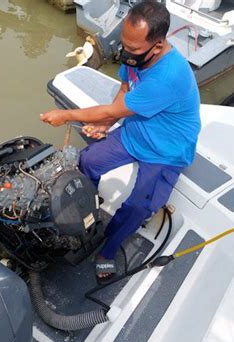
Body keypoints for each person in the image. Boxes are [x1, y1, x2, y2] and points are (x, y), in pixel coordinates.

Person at [40, 2, 200, 281]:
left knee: (138, 207)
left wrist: (66, 115)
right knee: (86, 161)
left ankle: (108, 251)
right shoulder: (134, 55)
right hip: (135, 131)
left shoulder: (169, 76)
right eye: (125, 44)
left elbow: (116, 110)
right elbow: (125, 90)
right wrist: (106, 124)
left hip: (166, 150)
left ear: (158, 45)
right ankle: (85, 210)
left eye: (135, 49)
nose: (127, 52)